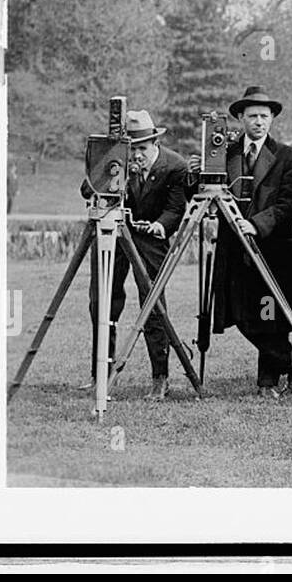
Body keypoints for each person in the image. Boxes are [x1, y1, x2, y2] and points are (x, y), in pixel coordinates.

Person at [188, 86, 292, 398]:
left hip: (272, 248)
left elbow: (291, 203)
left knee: (269, 314)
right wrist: (196, 175)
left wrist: (256, 224)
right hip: (233, 248)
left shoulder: (287, 156)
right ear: (241, 118)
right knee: (239, 314)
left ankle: (267, 382)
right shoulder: (224, 154)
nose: (258, 121)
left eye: (264, 116)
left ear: (272, 119)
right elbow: (204, 196)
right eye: (252, 116)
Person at [80, 109, 188, 400]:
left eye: (141, 148)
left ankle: (160, 378)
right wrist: (114, 173)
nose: (137, 155)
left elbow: (176, 209)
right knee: (102, 302)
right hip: (112, 235)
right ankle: (100, 375)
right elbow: (86, 188)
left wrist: (159, 226)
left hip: (150, 240)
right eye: (132, 149)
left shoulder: (175, 166)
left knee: (153, 306)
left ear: (155, 144)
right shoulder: (116, 159)